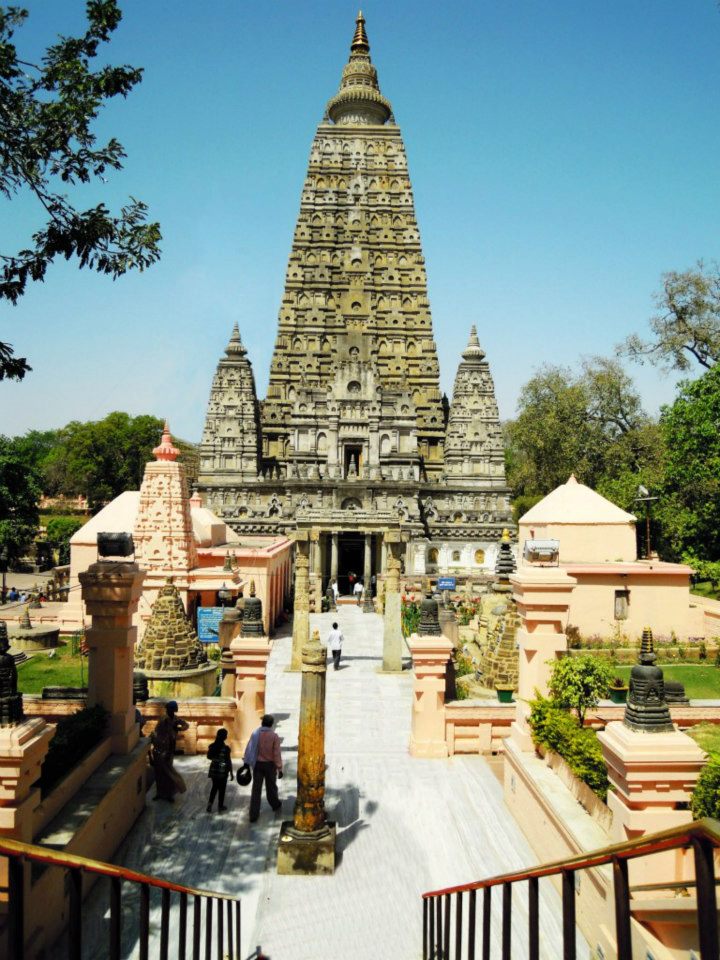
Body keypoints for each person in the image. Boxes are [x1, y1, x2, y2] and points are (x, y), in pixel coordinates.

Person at [244, 714, 283, 822]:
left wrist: (246, 763)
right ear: (271, 724)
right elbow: (276, 754)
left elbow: (249, 748)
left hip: (258, 765)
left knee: (256, 790)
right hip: (270, 765)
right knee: (271, 787)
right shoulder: (274, 736)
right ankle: (275, 804)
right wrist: (279, 768)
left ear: (262, 723)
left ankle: (253, 814)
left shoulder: (256, 734)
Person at [150, 700, 189, 802]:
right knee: (159, 773)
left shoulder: (175, 719)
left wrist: (179, 728)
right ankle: (160, 793)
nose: (171, 711)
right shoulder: (164, 720)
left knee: (168, 773)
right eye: (170, 709)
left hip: (168, 749)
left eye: (172, 709)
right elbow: (156, 733)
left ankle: (169, 794)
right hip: (160, 748)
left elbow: (186, 725)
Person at [206, 728, 234, 813]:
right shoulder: (226, 749)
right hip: (223, 771)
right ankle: (220, 806)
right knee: (222, 789)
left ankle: (210, 805)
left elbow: (209, 757)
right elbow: (228, 761)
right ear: (225, 737)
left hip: (214, 770)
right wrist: (231, 772)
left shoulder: (212, 746)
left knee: (214, 787)